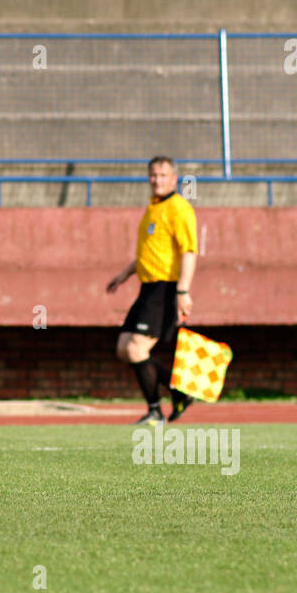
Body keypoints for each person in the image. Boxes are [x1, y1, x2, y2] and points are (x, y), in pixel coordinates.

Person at [105, 156, 198, 426]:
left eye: (162, 175)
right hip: (147, 288)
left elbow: (189, 252)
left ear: (174, 179)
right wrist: (124, 274)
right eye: (153, 175)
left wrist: (183, 291)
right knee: (124, 348)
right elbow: (150, 253)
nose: (156, 180)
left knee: (136, 349)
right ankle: (178, 392)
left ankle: (155, 410)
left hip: (166, 289)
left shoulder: (178, 208)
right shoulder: (152, 209)